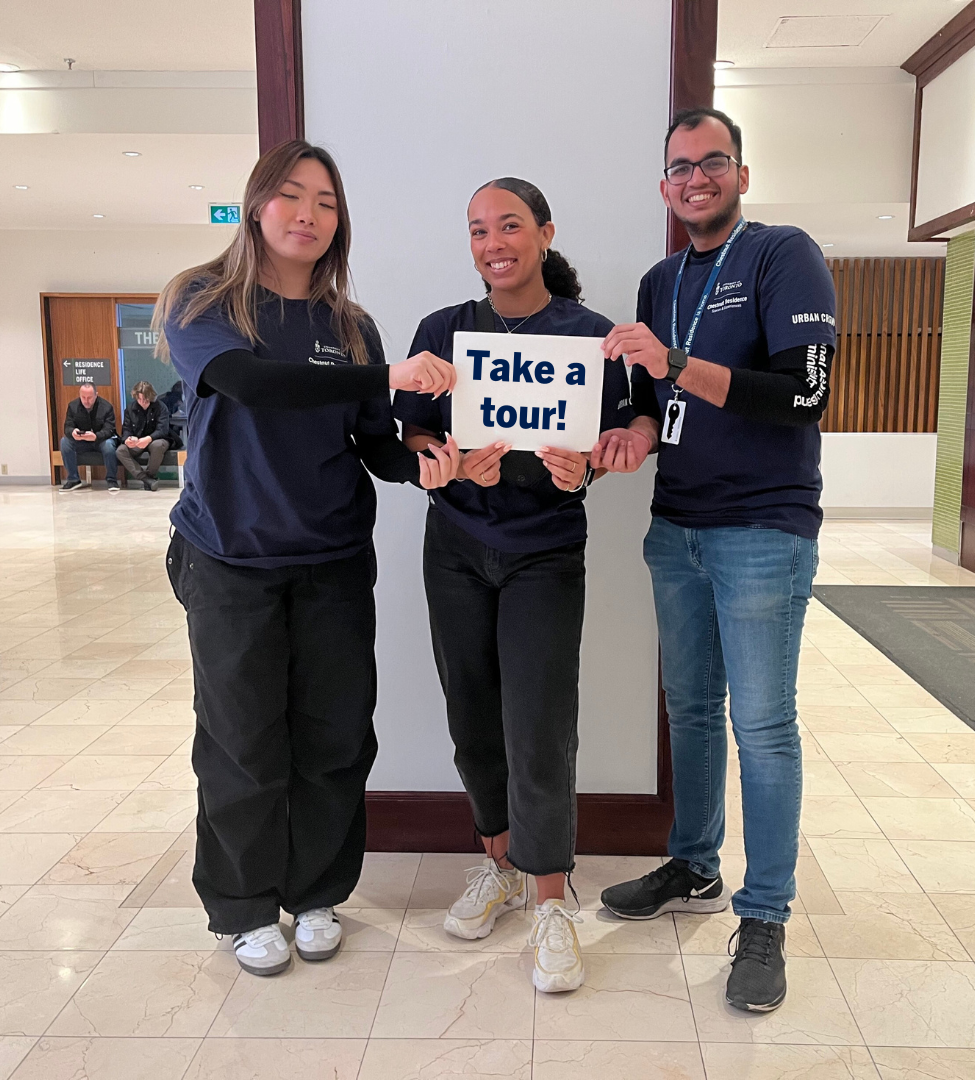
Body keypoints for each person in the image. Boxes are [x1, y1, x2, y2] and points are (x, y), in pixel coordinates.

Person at [154, 139, 459, 977]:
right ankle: (244, 907)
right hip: (229, 556)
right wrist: (384, 374)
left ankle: (317, 892)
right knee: (241, 740)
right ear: (257, 206)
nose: (308, 214)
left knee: (333, 736)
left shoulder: (351, 328)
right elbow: (252, 385)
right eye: (291, 195)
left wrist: (428, 460)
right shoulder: (202, 299)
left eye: (326, 202)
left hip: (329, 560)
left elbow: (372, 441)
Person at [594, 107, 835, 1012]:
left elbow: (804, 394)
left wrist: (676, 361)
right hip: (678, 528)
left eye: (712, 163)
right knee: (691, 710)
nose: (696, 179)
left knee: (763, 727)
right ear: (664, 186)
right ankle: (694, 866)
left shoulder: (783, 254)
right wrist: (631, 437)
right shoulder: (662, 280)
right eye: (680, 168)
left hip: (762, 530)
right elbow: (665, 404)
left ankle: (764, 912)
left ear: (740, 172)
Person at [394, 177, 634, 994]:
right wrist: (445, 459)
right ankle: (495, 863)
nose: (493, 243)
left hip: (544, 553)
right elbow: (413, 430)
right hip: (456, 545)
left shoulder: (590, 337)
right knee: (471, 712)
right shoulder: (443, 331)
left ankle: (552, 897)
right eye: (477, 231)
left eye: (509, 226)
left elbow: (616, 439)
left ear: (543, 233)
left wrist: (587, 468)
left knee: (539, 720)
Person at [116, 380, 176, 490]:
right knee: (121, 450)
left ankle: (150, 476)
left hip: (157, 439)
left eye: (145, 399)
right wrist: (128, 439)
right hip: (137, 441)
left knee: (157, 445)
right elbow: (126, 429)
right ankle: (146, 479)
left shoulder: (161, 407)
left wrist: (148, 439)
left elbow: (163, 430)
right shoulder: (130, 409)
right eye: (139, 399)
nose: (142, 402)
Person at [59, 382, 119, 491]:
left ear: (96, 395)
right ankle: (73, 479)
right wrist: (73, 432)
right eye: (83, 397)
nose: (86, 400)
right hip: (81, 441)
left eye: (90, 397)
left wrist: (96, 436)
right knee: (64, 442)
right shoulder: (73, 406)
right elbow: (67, 427)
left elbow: (110, 430)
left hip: (100, 440)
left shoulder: (106, 407)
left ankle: (112, 480)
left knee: (109, 445)